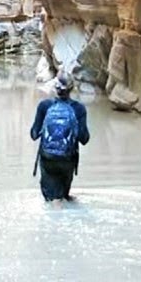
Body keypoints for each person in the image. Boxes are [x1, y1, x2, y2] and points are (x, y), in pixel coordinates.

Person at [30, 72, 90, 201]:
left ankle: (55, 218)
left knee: (52, 201)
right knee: (63, 197)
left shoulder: (44, 106)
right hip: (68, 159)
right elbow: (84, 139)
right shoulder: (79, 108)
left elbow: (34, 134)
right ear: (72, 88)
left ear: (55, 88)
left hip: (48, 159)